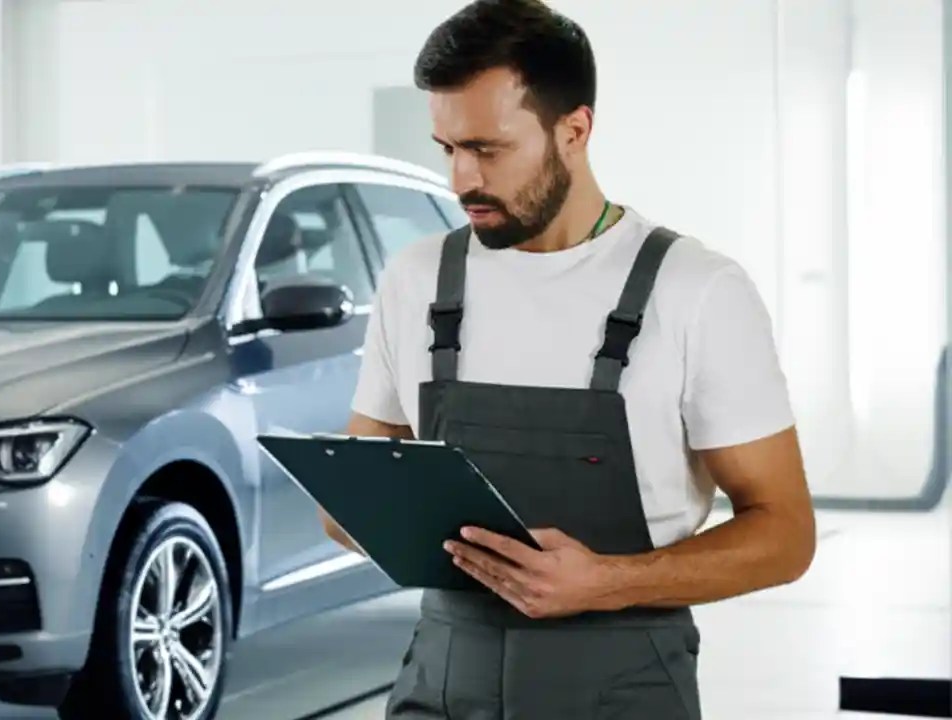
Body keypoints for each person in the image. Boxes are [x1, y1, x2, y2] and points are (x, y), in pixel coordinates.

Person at [318, 1, 818, 717]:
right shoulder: (415, 278)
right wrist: (354, 508)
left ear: (574, 131)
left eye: (488, 149)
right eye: (447, 148)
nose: (461, 180)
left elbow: (785, 534)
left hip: (622, 677)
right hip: (443, 669)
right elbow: (353, 498)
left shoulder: (697, 290)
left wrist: (608, 582)